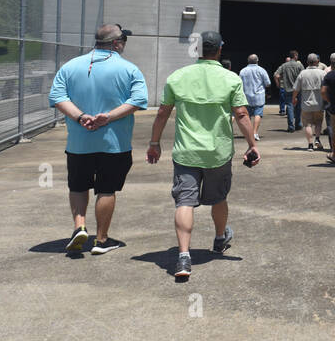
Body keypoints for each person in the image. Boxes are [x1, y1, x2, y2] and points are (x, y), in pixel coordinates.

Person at [146, 31, 258, 279]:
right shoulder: (230, 79)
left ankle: (184, 256)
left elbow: (162, 113)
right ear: (219, 50)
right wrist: (251, 144)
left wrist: (154, 142)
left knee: (184, 201)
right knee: (218, 198)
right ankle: (219, 239)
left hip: (186, 152)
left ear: (198, 51)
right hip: (217, 152)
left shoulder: (177, 77)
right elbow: (241, 115)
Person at [48, 24, 148, 254]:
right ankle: (101, 240)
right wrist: (108, 117)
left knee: (78, 185)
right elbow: (139, 100)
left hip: (79, 143)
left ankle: (79, 226)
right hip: (114, 144)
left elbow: (56, 96)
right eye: (124, 39)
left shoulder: (70, 66)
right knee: (106, 189)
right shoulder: (129, 69)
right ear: (116, 43)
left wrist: (81, 117)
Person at [293, 53, 326, 151]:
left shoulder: (303, 73)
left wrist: (294, 98)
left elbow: (296, 88)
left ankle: (310, 145)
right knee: (318, 122)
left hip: (306, 103)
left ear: (307, 62)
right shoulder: (322, 73)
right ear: (317, 62)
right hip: (319, 102)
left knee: (307, 124)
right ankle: (317, 139)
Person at [240, 54, 271, 142]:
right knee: (258, 114)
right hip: (259, 96)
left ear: (248, 61)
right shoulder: (261, 70)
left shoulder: (243, 71)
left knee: (247, 116)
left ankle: (248, 133)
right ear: (257, 61)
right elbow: (268, 83)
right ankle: (254, 133)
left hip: (246, 96)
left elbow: (239, 83)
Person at [279, 50, 303, 131]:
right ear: (295, 56)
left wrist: (278, 84)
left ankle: (290, 126)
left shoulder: (284, 65)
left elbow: (276, 75)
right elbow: (303, 76)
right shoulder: (299, 65)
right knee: (298, 107)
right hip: (298, 89)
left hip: (288, 89)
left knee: (289, 106)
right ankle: (298, 124)